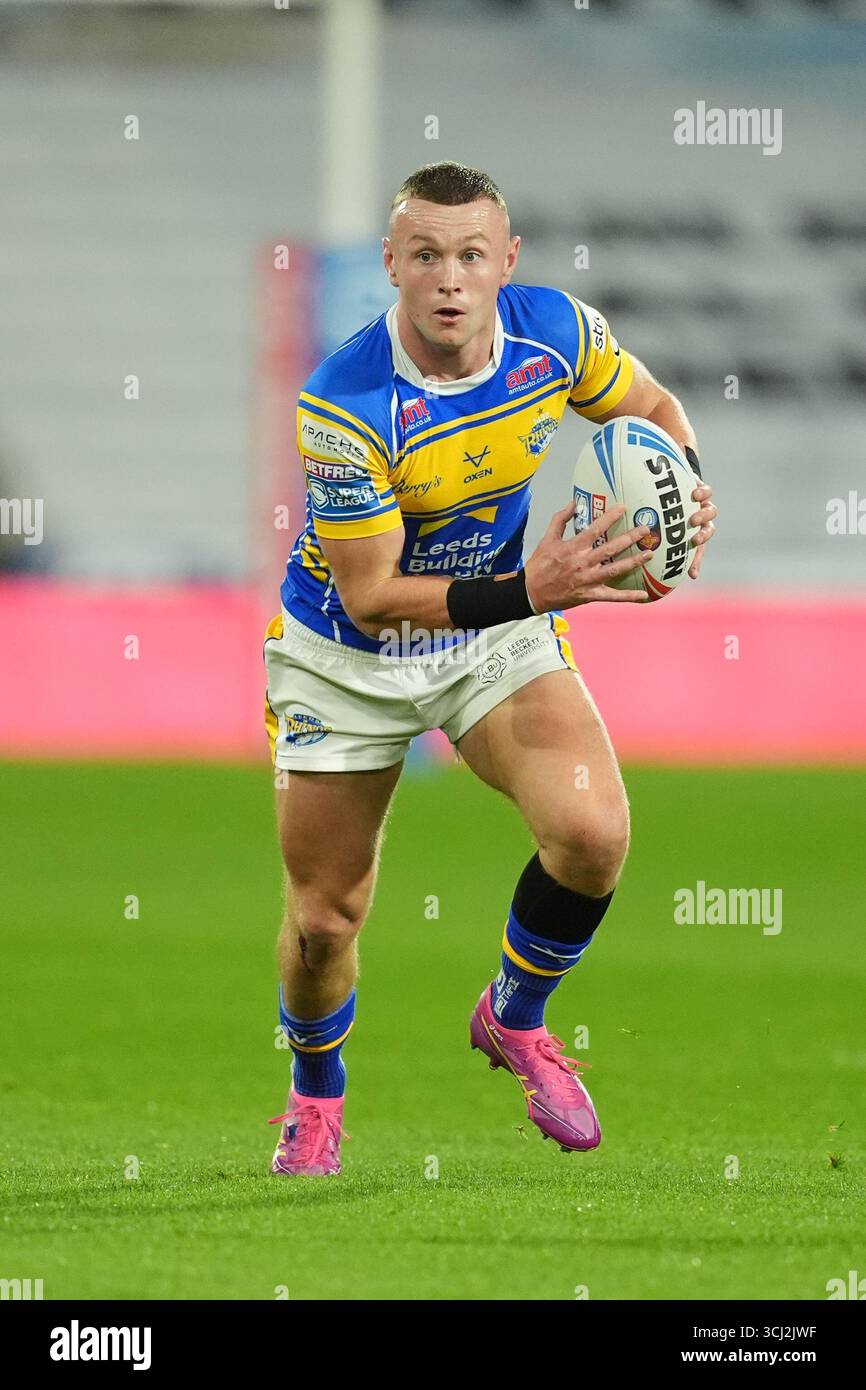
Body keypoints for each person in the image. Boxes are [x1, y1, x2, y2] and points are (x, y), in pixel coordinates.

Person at [263, 161, 717, 1175]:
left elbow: (651, 407)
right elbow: (374, 591)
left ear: (504, 262)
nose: (449, 278)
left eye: (470, 254)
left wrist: (680, 489)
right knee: (323, 925)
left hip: (491, 631)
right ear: (391, 264)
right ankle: (315, 1094)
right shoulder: (343, 401)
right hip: (347, 656)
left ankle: (513, 1017)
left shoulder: (556, 332)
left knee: (592, 833)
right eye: (424, 254)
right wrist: (535, 586)